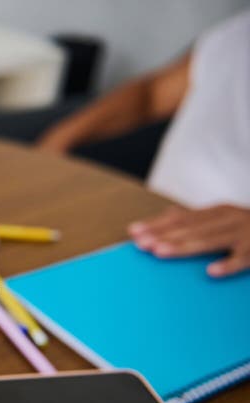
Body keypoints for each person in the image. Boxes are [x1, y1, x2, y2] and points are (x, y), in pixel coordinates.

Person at [38, 10, 250, 277]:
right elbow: (151, 96)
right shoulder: (237, 33)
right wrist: (57, 140)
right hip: (144, 232)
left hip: (227, 269)